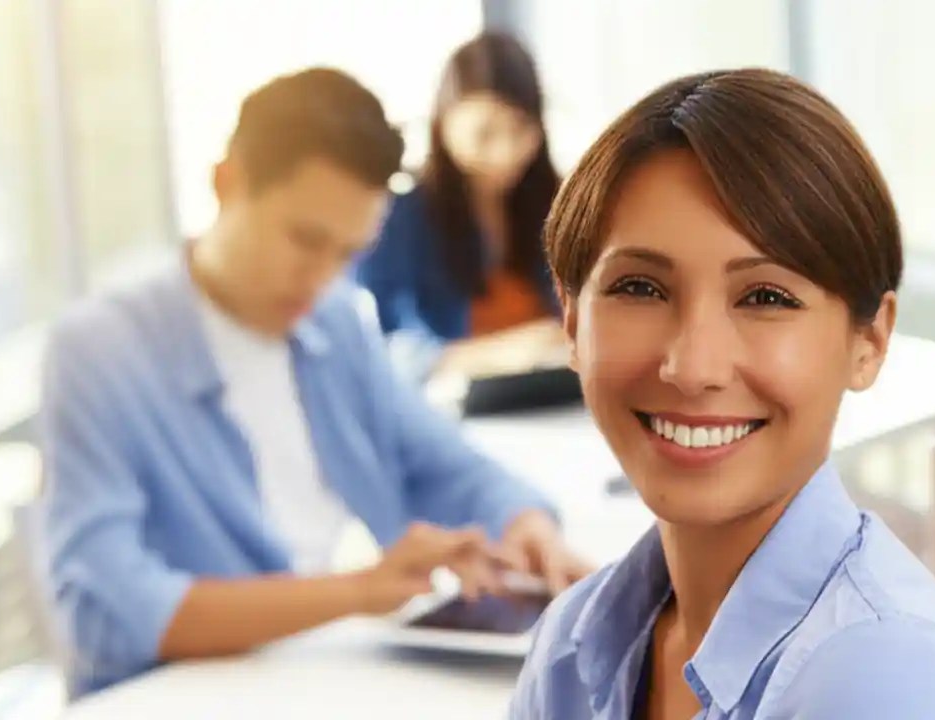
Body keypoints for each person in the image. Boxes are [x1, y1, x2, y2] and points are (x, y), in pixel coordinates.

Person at [41, 68, 587, 696]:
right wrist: (357, 592)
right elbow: (106, 610)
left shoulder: (334, 325)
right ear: (226, 183)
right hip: (175, 693)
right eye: (305, 239)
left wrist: (526, 528)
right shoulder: (100, 348)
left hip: (309, 675)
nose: (321, 276)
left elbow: (446, 466)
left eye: (347, 251)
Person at [508, 69, 935, 719]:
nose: (692, 366)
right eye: (640, 288)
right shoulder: (574, 648)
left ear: (870, 341)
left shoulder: (882, 674)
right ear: (572, 322)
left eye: (766, 297)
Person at [356, 32, 563, 382]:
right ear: (444, 124)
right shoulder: (398, 219)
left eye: (521, 130)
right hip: (456, 412)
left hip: (559, 402)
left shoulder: (556, 206)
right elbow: (381, 350)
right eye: (484, 134)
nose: (506, 152)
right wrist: (501, 355)